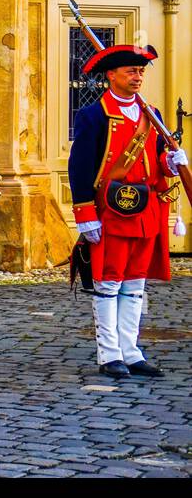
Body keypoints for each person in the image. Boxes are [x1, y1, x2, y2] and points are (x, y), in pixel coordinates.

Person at [68, 44, 183, 379]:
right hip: (110, 211)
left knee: (134, 285)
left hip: (145, 209)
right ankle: (109, 354)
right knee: (108, 283)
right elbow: (81, 167)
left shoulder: (152, 115)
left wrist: (172, 162)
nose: (138, 77)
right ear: (111, 75)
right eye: (131, 71)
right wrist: (85, 213)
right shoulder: (93, 115)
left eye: (141, 71)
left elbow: (158, 158)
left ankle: (131, 351)